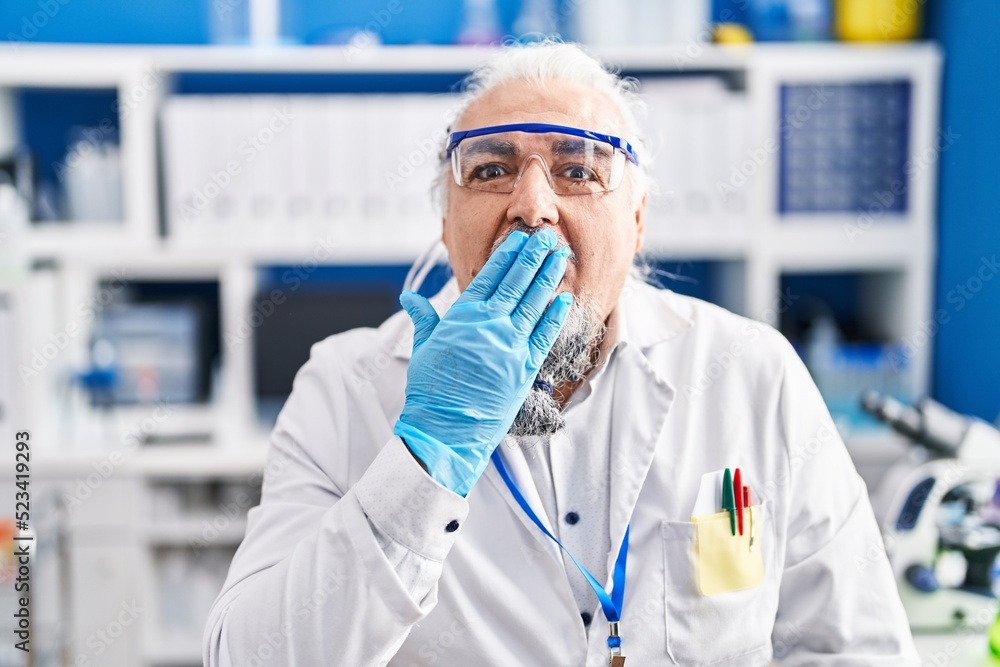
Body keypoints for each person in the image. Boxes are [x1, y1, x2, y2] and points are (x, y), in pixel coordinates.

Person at [204, 41, 918, 666]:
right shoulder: (345, 386)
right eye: (490, 171)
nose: (533, 205)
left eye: (577, 169)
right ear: (446, 225)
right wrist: (426, 457)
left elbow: (858, 648)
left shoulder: (754, 376)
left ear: (637, 222)